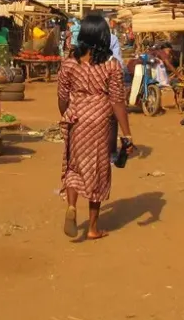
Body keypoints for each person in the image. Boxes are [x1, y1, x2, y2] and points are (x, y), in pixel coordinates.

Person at [57, 13, 133, 241]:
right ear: (103, 37)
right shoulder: (111, 66)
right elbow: (117, 101)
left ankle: (71, 206)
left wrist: (68, 115)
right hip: (100, 121)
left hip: (77, 119)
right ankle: (92, 228)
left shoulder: (69, 63)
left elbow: (62, 97)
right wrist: (127, 134)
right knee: (98, 171)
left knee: (74, 166)